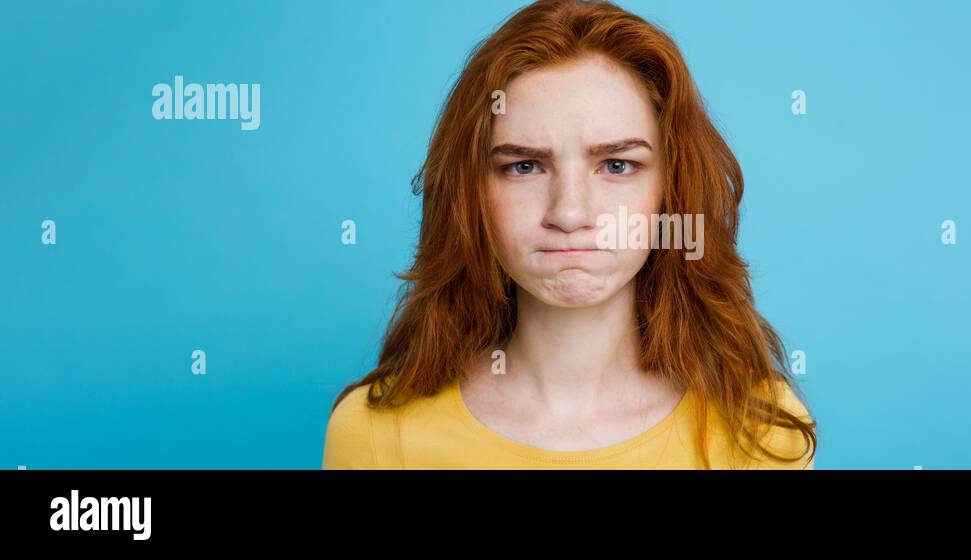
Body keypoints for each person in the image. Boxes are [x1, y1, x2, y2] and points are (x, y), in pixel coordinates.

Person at [323, 0, 816, 469]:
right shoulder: (373, 434)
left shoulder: (761, 433)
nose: (570, 212)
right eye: (524, 166)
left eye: (617, 165)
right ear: (471, 196)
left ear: (672, 190)